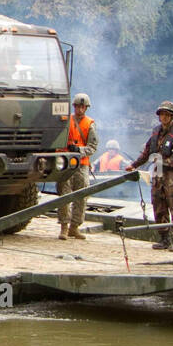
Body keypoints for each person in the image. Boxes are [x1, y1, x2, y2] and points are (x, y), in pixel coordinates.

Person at [126, 101, 173, 252]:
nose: (164, 117)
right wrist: (134, 165)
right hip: (157, 174)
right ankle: (164, 239)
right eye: (162, 114)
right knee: (158, 207)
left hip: (171, 176)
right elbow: (147, 152)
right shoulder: (156, 132)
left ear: (172, 116)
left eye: (167, 114)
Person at [57, 92, 98, 240]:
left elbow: (93, 146)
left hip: (82, 164)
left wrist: (79, 151)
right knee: (64, 194)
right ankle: (64, 226)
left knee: (82, 196)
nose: (80, 109)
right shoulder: (65, 120)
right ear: (74, 106)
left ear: (86, 108)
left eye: (82, 107)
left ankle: (74, 227)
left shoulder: (90, 124)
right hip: (65, 163)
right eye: (77, 106)